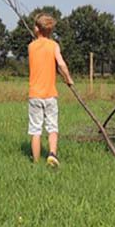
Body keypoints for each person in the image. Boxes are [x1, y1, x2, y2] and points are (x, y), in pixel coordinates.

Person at [28, 13, 74, 166]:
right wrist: (68, 78)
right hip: (50, 94)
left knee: (35, 130)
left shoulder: (31, 47)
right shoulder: (54, 46)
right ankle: (52, 154)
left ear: (37, 29)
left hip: (34, 94)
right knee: (52, 127)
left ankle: (35, 161)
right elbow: (61, 64)